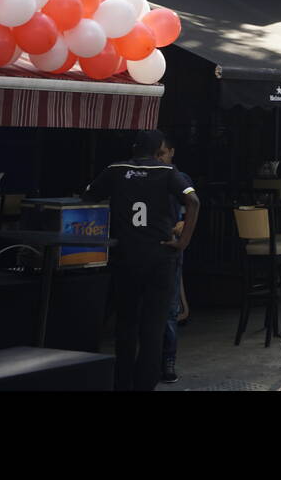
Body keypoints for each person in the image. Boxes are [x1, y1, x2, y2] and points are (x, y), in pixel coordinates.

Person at [83, 130, 199, 392]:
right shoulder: (167, 172)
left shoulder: (115, 169)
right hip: (159, 256)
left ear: (134, 148)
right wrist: (183, 242)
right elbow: (193, 201)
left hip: (126, 255)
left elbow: (88, 196)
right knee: (153, 326)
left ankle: (122, 382)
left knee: (126, 323)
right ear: (159, 148)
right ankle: (145, 384)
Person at [160, 135, 192, 385]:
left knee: (170, 309)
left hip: (171, 247)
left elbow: (191, 205)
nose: (158, 159)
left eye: (162, 154)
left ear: (171, 152)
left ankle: (168, 361)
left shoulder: (179, 178)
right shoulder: (145, 177)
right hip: (148, 245)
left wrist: (183, 227)